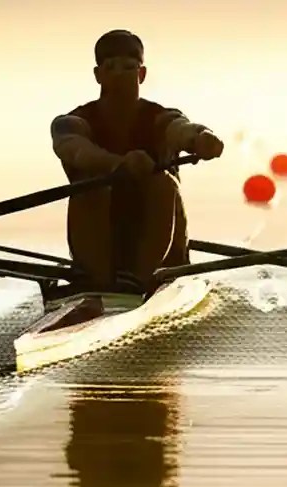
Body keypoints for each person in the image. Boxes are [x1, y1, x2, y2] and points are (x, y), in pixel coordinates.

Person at [50, 29, 224, 294]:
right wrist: (118, 165)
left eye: (129, 67)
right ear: (99, 75)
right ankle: (98, 281)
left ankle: (140, 277)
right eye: (111, 67)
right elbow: (73, 149)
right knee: (91, 184)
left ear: (141, 74)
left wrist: (202, 138)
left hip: (161, 257)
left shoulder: (160, 118)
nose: (120, 74)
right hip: (98, 256)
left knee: (162, 182)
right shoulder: (73, 123)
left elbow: (182, 129)